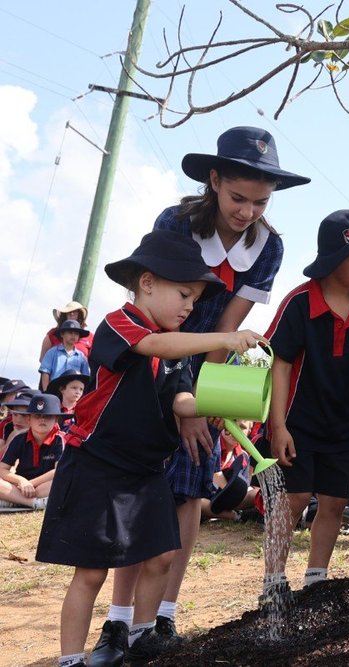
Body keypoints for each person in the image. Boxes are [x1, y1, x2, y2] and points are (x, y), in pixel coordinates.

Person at [35, 229, 266, 667]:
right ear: (146, 283)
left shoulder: (178, 352)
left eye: (195, 300)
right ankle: (69, 660)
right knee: (91, 571)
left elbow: (180, 400)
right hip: (98, 463)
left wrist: (226, 402)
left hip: (146, 470)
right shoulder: (120, 324)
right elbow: (152, 345)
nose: (188, 307)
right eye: (183, 294)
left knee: (162, 555)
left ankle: (142, 638)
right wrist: (224, 338)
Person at [149, 125, 310, 642]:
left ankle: (166, 613)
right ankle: (123, 619)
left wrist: (202, 396)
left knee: (191, 481)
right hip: (154, 357)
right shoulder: (174, 224)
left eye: (260, 202)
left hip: (207, 367)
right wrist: (176, 394)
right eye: (238, 198)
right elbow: (154, 314)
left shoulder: (268, 246)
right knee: (146, 484)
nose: (247, 212)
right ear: (213, 180)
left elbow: (231, 326)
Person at [260, 209, 349, 606]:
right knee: (292, 499)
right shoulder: (299, 303)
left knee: (336, 502)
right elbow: (281, 363)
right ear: (331, 260)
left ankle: (316, 580)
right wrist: (278, 427)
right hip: (295, 422)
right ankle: (273, 582)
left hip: (342, 424)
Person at [0, 393, 66, 510]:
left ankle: (13, 499)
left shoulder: (60, 439)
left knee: (64, 480)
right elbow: (2, 469)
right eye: (37, 415)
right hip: (21, 485)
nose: (42, 419)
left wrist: (30, 483)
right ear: (29, 419)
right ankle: (33, 503)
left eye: (48, 416)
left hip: (43, 485)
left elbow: (59, 470)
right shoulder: (19, 439)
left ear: (56, 419)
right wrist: (21, 481)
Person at [38, 320, 91, 391]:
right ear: (62, 334)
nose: (73, 335)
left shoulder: (81, 357)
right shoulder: (52, 352)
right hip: (54, 391)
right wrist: (46, 392)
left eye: (76, 333)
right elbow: (45, 373)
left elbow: (85, 377)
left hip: (73, 393)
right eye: (70, 332)